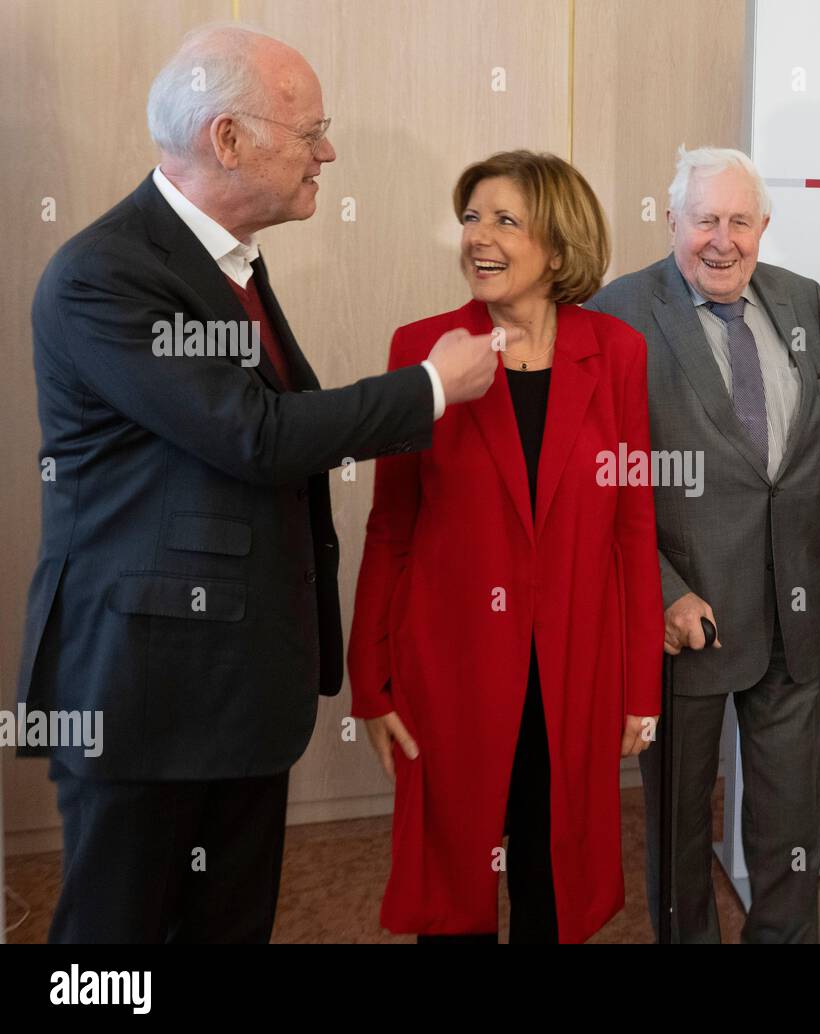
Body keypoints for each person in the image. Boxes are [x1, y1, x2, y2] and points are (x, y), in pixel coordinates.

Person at [17, 25, 502, 943]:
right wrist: (433, 386)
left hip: (234, 690)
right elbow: (257, 435)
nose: (328, 150)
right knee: (112, 943)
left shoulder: (228, 261)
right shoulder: (106, 276)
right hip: (143, 694)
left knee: (226, 924)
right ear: (227, 140)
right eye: (309, 130)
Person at [347, 150, 662, 944]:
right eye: (470, 217)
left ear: (558, 249)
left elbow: (633, 527)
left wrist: (641, 687)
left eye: (505, 220)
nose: (478, 238)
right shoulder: (423, 348)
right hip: (449, 671)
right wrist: (371, 685)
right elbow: (391, 527)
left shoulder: (617, 352)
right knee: (454, 885)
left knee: (554, 879)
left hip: (572, 672)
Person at [586, 146, 820, 943]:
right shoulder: (618, 314)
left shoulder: (803, 301)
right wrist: (661, 595)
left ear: (763, 227)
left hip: (798, 608)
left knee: (792, 825)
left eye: (739, 221)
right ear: (670, 219)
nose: (722, 239)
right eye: (704, 219)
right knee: (679, 831)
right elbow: (601, 485)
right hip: (689, 620)